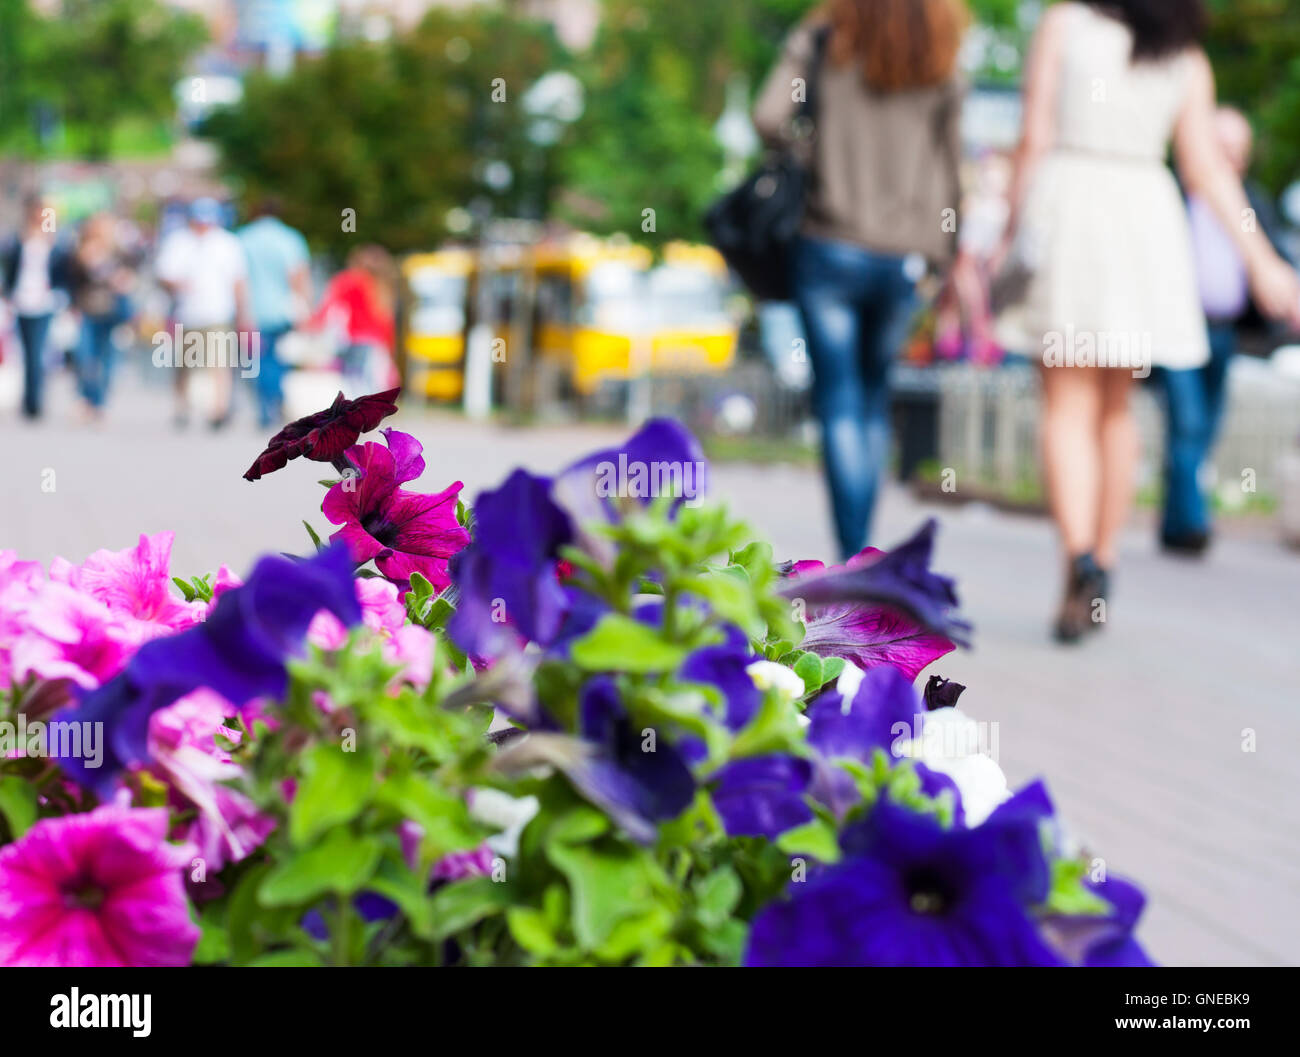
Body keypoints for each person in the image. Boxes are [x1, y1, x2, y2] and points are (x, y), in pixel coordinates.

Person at [995, 0, 1300, 642]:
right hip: (1144, 221)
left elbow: (1033, 139)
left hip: (1072, 207)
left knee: (1066, 408)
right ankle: (1101, 563)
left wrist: (1008, 236)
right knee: (1116, 409)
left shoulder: (1066, 26)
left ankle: (1077, 557)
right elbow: (1207, 169)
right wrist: (1264, 260)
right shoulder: (1182, 50)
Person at [753, 0, 966, 559]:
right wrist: (948, 249)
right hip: (907, 254)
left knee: (841, 402)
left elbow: (769, 116)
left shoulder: (827, 30)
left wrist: (811, 153)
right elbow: (951, 162)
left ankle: (854, 549)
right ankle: (862, 552)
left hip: (828, 243)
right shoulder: (941, 39)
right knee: (874, 399)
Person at [1159, 107, 1292, 554]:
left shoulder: (1252, 202)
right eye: (1222, 149)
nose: (1230, 162)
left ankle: (1174, 520)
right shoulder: (1171, 197)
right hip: (1178, 330)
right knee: (1188, 423)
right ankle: (1195, 523)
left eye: (1238, 153)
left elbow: (1274, 257)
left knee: (1206, 427)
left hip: (1226, 332)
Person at [155, 197, 251, 429]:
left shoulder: (228, 244)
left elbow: (238, 281)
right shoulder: (178, 242)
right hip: (185, 313)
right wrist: (177, 285)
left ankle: (219, 410)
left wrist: (243, 314)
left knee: (219, 363)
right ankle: (182, 406)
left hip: (218, 313)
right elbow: (163, 274)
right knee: (185, 364)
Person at [237, 197, 311, 427]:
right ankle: (276, 399)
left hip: (252, 311)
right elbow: (298, 276)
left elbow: (237, 278)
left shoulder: (243, 237)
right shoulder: (290, 238)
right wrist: (305, 307)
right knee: (278, 359)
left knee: (256, 361)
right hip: (282, 311)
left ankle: (265, 407)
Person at [1, 194, 65, 420]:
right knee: (26, 352)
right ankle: (29, 399)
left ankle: (35, 400)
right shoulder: (19, 239)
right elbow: (11, 269)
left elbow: (60, 270)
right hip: (22, 301)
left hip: (44, 302)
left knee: (38, 351)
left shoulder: (52, 241)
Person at [66, 212, 135, 419]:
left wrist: (120, 280)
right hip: (87, 311)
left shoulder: (118, 254)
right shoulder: (79, 253)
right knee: (84, 356)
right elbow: (72, 281)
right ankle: (87, 397)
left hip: (110, 312)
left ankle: (99, 403)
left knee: (107, 359)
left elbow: (129, 278)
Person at [313, 245, 399, 397]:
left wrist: (314, 323)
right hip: (376, 344)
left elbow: (330, 303)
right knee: (371, 383)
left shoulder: (348, 280)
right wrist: (391, 354)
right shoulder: (382, 287)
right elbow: (387, 324)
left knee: (354, 382)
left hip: (355, 339)